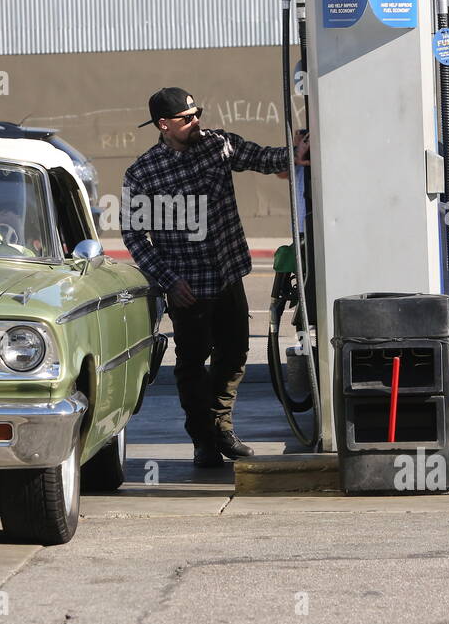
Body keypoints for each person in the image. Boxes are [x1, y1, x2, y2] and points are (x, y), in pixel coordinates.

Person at [121, 87, 309, 467]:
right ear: (164, 125)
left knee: (235, 352)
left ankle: (221, 425)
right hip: (187, 287)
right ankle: (204, 440)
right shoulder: (143, 172)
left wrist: (294, 154)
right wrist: (169, 281)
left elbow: (258, 156)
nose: (196, 123)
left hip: (227, 275)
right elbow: (134, 235)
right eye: (187, 119)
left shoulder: (217, 145)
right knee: (191, 363)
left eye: (197, 114)